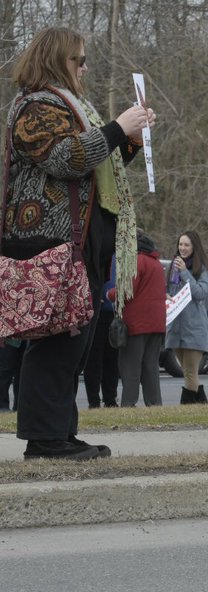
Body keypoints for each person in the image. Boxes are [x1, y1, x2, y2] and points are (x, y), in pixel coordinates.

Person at [3, 26, 151, 459]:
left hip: (80, 238)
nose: (85, 68)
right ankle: (44, 440)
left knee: (77, 339)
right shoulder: (35, 106)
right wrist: (117, 128)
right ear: (55, 60)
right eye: (79, 60)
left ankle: (61, 432)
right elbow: (66, 158)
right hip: (48, 239)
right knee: (56, 339)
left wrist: (129, 140)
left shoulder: (71, 105)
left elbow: (97, 162)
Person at [118, 231, 167, 407]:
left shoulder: (137, 262)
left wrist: (109, 294)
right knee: (151, 367)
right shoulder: (156, 263)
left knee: (130, 366)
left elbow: (126, 292)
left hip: (137, 323)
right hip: (157, 324)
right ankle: (154, 405)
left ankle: (128, 404)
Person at [165, 230, 208, 404]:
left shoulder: (203, 269)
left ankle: (186, 407)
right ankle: (201, 406)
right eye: (180, 244)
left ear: (195, 247)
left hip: (194, 328)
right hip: (176, 327)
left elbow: (200, 293)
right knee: (187, 372)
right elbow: (170, 290)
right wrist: (166, 295)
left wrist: (185, 272)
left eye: (186, 245)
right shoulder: (173, 266)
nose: (182, 248)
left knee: (190, 372)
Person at [82, 261, 119, 408]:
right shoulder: (95, 253)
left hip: (114, 314)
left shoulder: (118, 255)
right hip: (95, 313)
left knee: (112, 360)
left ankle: (110, 399)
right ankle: (94, 401)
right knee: (93, 360)